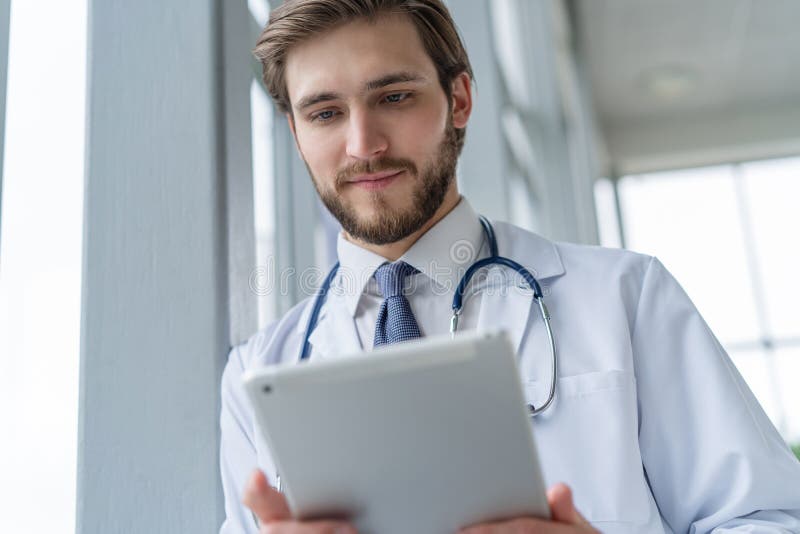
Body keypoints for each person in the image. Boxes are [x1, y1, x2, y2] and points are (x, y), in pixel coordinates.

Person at [219, 1, 800, 532]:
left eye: (394, 96)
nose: (363, 143)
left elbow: (769, 519)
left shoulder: (624, 298)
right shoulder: (256, 378)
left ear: (460, 100)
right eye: (325, 113)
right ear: (295, 133)